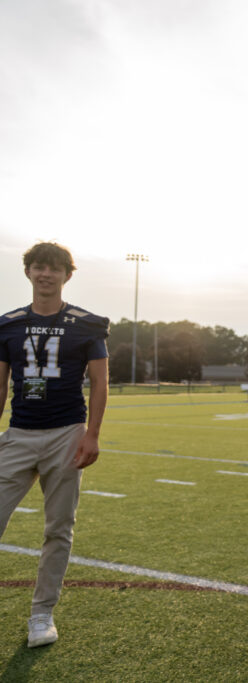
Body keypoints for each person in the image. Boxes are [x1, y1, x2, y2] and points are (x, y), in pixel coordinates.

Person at [0, 241, 109, 648]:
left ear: (67, 274)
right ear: (28, 271)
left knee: (58, 528)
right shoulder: (8, 324)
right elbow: (0, 385)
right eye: (39, 266)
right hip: (19, 434)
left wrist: (92, 434)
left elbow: (99, 382)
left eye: (54, 268)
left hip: (66, 434)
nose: (46, 274)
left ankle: (42, 613)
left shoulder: (86, 324)